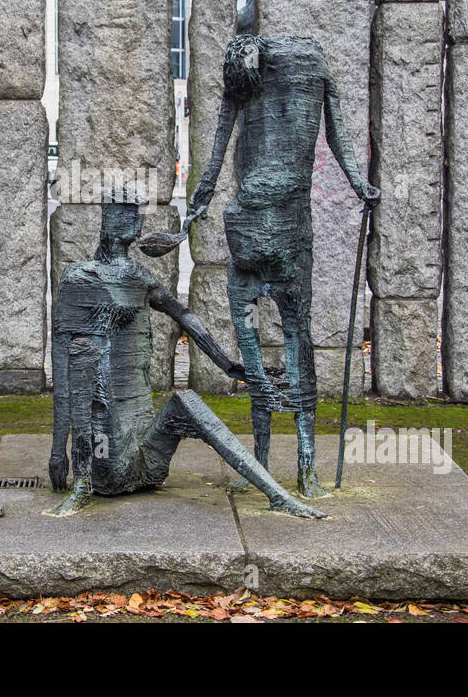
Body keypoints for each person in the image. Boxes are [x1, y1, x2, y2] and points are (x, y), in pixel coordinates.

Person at [48, 193, 323, 519]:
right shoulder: (80, 278)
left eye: (135, 214)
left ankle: (277, 495)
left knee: (185, 403)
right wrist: (57, 451)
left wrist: (227, 364)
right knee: (83, 352)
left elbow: (184, 315)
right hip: (103, 454)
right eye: (121, 212)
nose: (132, 220)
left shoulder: (140, 277)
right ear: (104, 219)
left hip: (146, 459)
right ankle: (81, 485)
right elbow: (63, 359)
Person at [188, 34, 380, 497]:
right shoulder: (290, 65)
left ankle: (299, 464)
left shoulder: (267, 65)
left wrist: (360, 184)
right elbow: (337, 136)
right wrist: (359, 183)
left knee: (281, 340)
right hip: (261, 228)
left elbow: (222, 140)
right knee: (287, 338)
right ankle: (285, 465)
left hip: (269, 227)